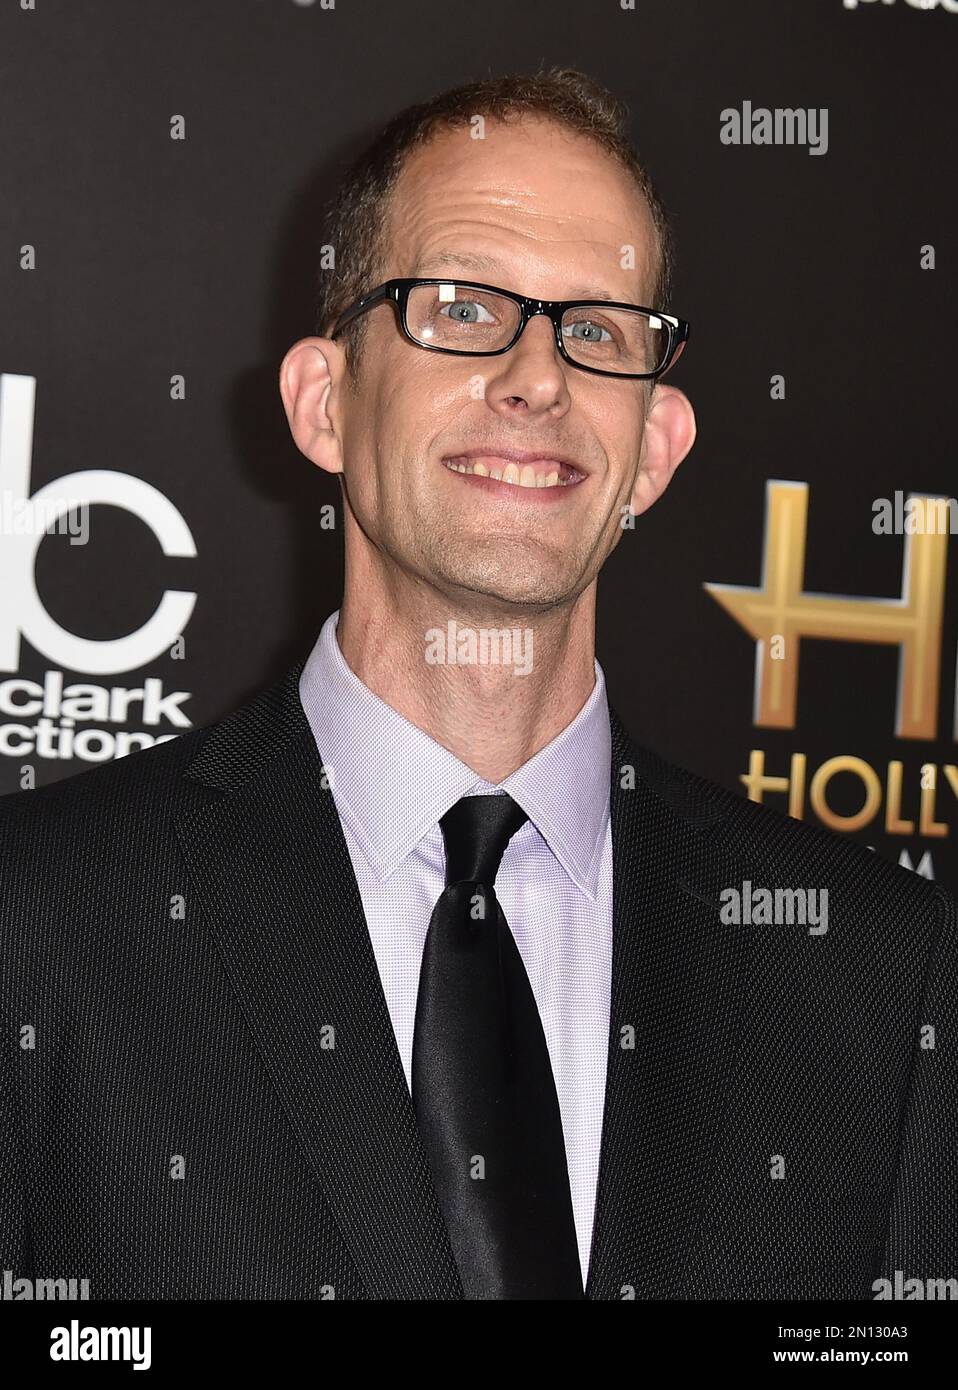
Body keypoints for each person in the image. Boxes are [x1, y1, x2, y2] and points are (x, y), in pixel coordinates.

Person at [1, 67, 955, 1302]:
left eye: (597, 330)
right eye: (459, 308)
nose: (536, 379)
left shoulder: (879, 968)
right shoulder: (37, 921)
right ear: (323, 404)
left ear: (653, 451)